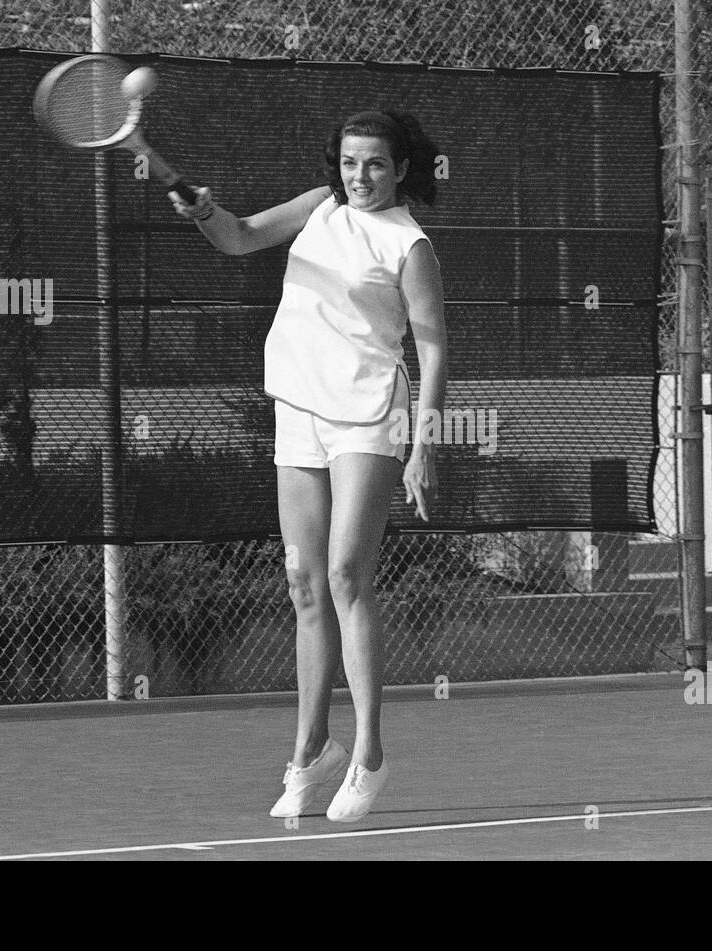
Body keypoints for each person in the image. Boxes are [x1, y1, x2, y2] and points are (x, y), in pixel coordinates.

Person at [171, 109, 447, 822]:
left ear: (401, 169)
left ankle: (370, 752)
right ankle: (311, 748)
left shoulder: (409, 244)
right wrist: (203, 212)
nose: (360, 175)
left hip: (369, 414)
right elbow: (239, 236)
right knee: (303, 581)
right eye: (350, 162)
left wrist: (422, 444)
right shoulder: (320, 207)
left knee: (346, 574)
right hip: (298, 408)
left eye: (375, 163)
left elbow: (433, 349)